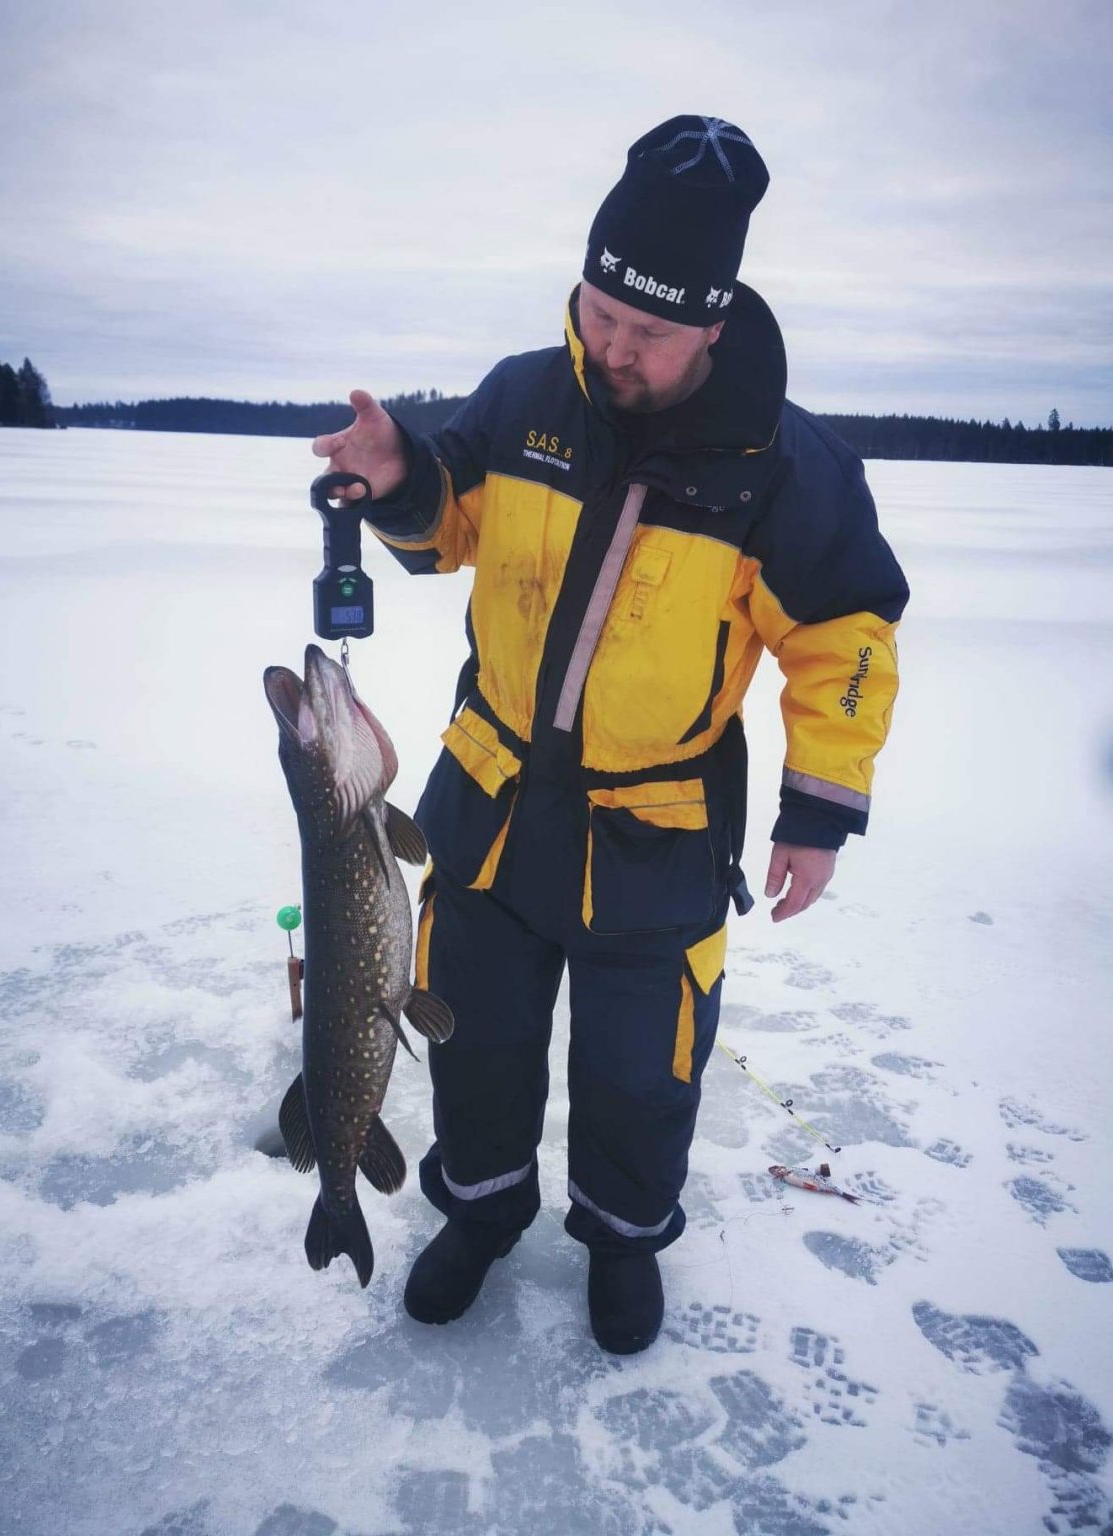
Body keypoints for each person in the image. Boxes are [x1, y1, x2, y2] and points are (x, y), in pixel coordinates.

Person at [312, 116, 909, 1354]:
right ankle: (476, 1215)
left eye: (647, 331)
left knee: (644, 1074)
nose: (613, 347)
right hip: (489, 797)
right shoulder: (529, 391)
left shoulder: (787, 469)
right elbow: (447, 530)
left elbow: (844, 639)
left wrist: (819, 811)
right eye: (598, 310)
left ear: (715, 324)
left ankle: (625, 1241)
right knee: (474, 1038)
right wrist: (399, 481)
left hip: (658, 829)